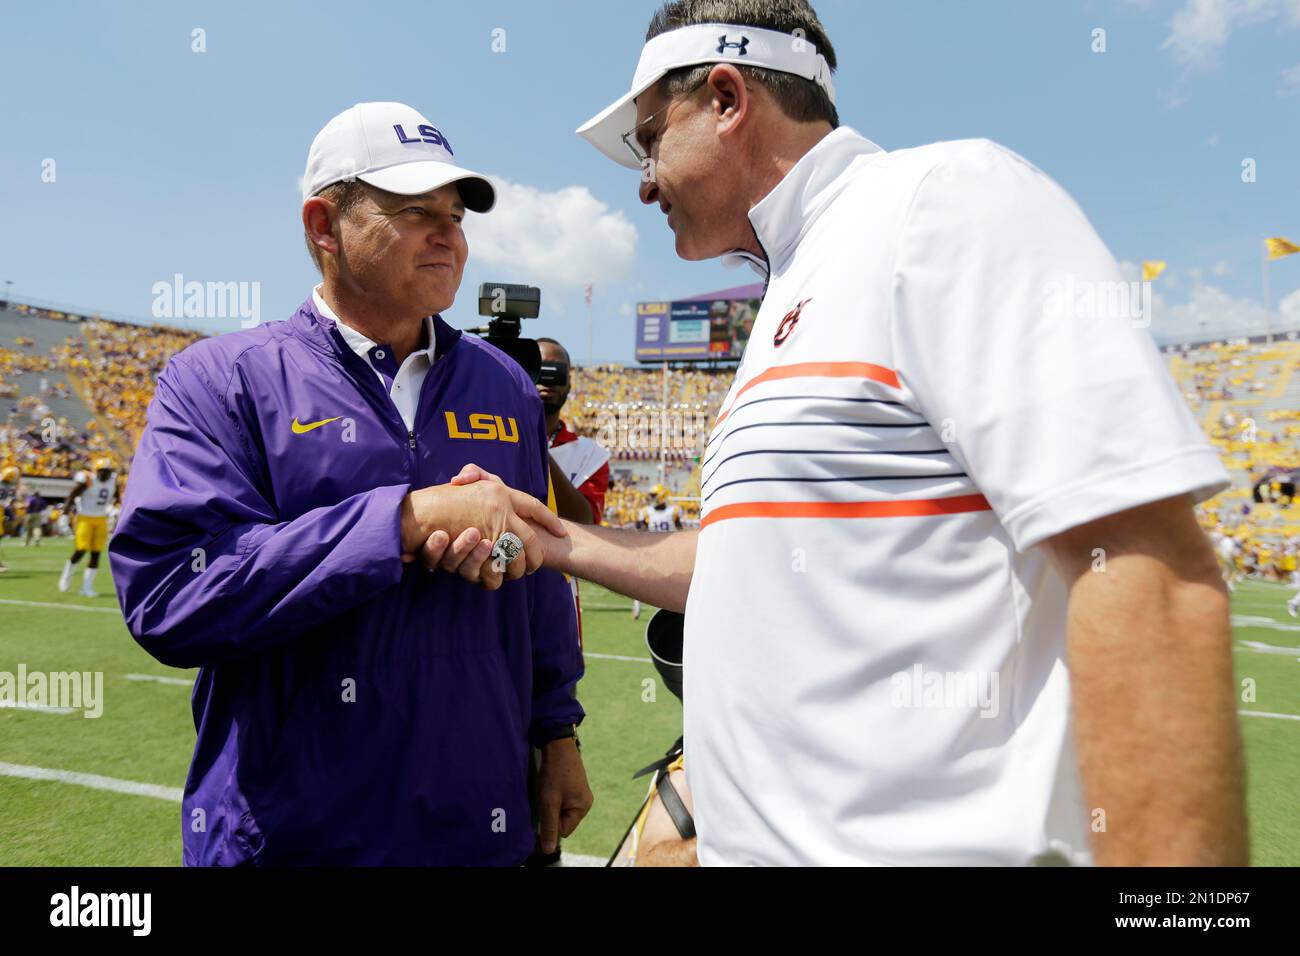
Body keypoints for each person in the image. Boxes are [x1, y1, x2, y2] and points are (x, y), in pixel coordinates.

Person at [453, 0, 1245, 865]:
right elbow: (751, 561)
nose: (643, 181)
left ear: (726, 99)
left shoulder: (943, 202)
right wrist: (554, 534)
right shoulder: (801, 277)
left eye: (649, 138)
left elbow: (1141, 564)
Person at [109, 102, 592, 866]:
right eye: (414, 212)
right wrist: (398, 523)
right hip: (292, 837)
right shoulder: (219, 380)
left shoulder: (502, 384)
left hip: (475, 828)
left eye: (457, 215)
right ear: (323, 225)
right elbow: (169, 594)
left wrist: (558, 731)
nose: (450, 235)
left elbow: (535, 581)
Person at [59, 457, 120, 597]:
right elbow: (72, 495)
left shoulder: (113, 482)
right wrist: (65, 513)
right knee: (81, 549)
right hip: (85, 517)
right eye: (103, 471)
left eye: (108, 471)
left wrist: (114, 507)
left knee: (96, 553)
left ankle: (87, 586)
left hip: (101, 519)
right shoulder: (88, 479)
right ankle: (66, 575)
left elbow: (117, 498)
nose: (106, 474)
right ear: (96, 471)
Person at [631, 484, 682, 619]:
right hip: (658, 550)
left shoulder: (671, 511)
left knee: (664, 581)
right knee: (643, 579)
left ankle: (666, 608)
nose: (652, 498)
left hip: (662, 550)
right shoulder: (671, 511)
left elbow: (639, 528)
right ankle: (638, 606)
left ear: (661, 496)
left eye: (654, 495)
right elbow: (679, 527)